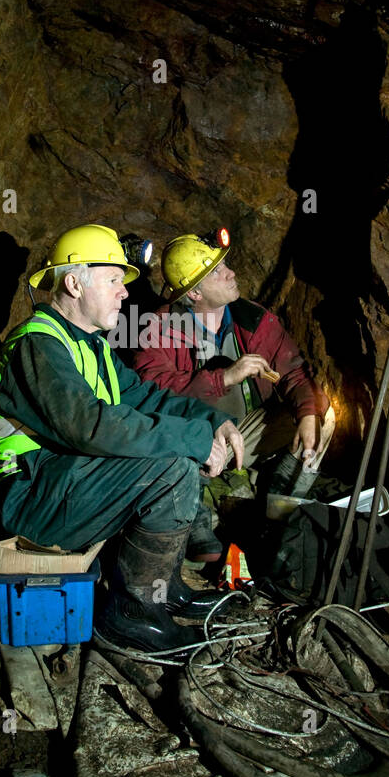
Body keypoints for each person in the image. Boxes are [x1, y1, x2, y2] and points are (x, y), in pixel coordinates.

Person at [0, 224, 244, 652]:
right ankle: (131, 615)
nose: (125, 292)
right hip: (28, 495)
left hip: (62, 481)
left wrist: (212, 422)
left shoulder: (93, 348)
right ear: (73, 284)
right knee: (172, 462)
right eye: (114, 280)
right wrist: (192, 440)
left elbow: (146, 398)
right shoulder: (36, 347)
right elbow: (92, 426)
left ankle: (163, 589)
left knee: (174, 448)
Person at [133, 229, 334, 560]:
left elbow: (296, 372)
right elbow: (149, 388)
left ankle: (277, 508)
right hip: (199, 442)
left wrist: (308, 415)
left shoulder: (252, 319)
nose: (232, 273)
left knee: (322, 415)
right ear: (195, 292)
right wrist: (223, 377)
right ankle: (194, 509)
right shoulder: (162, 326)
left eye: (225, 265)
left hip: (249, 433)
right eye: (217, 271)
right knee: (169, 429)